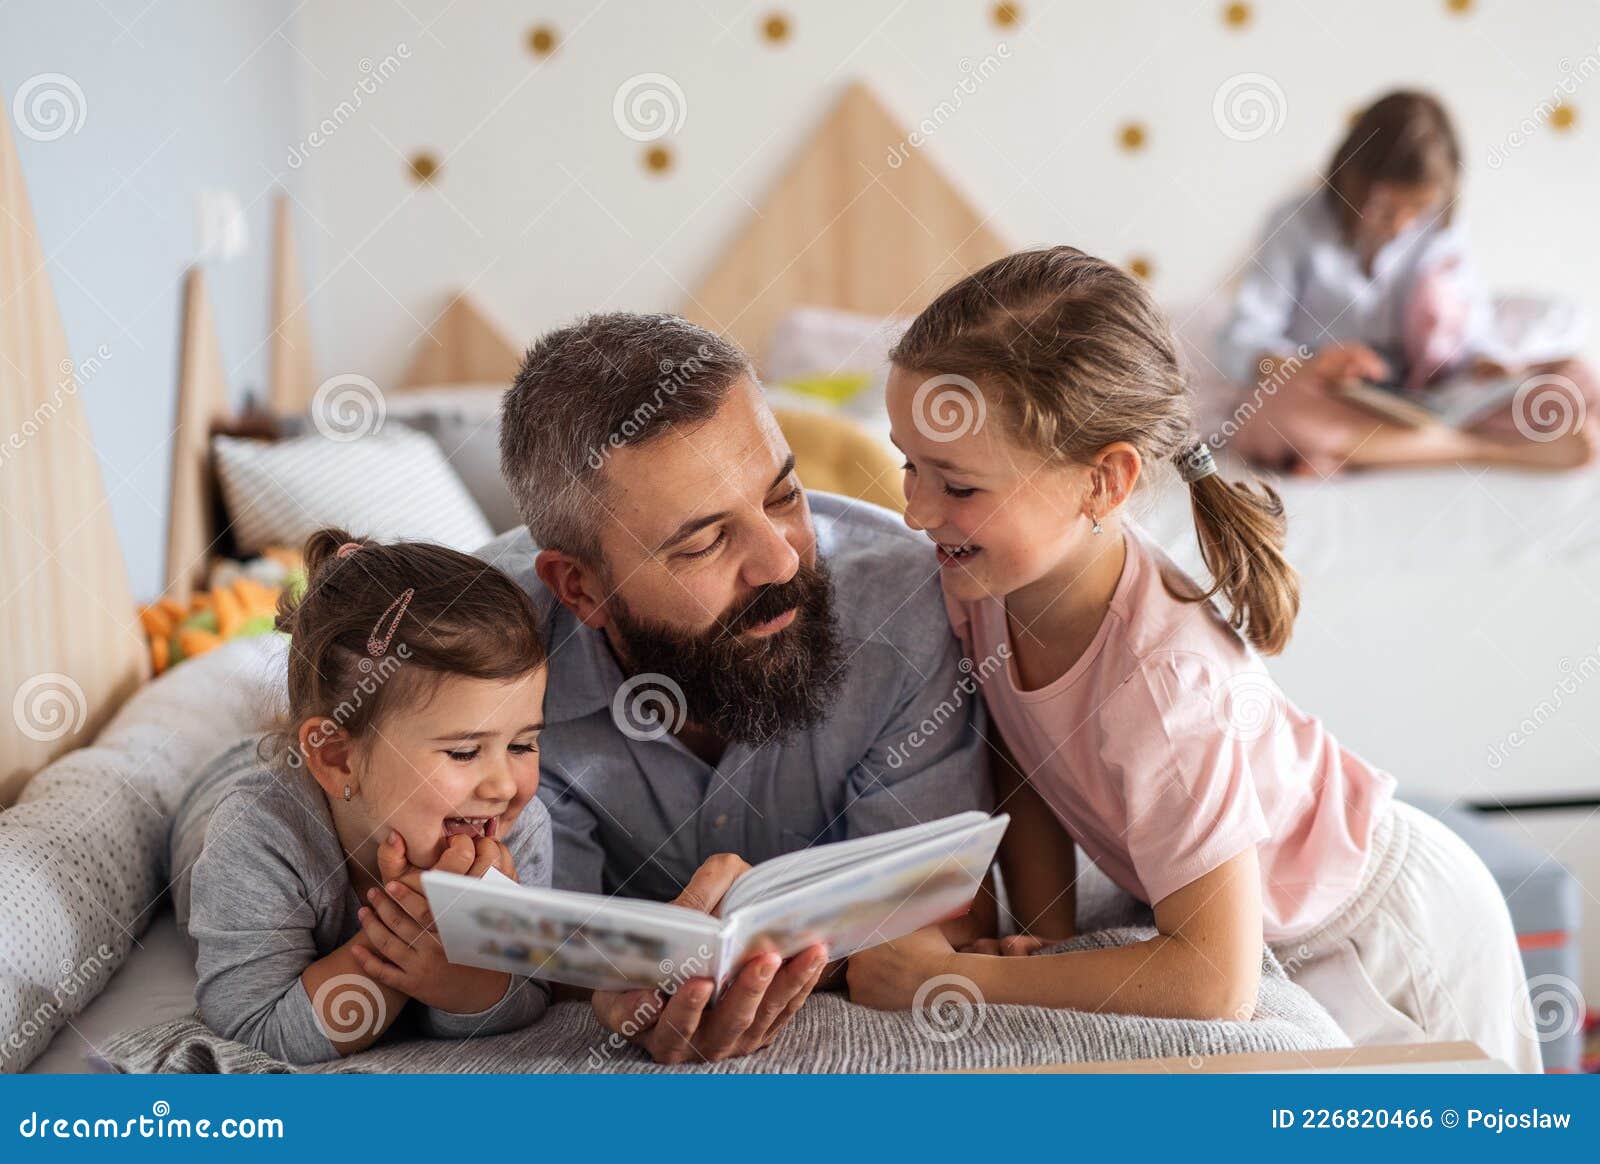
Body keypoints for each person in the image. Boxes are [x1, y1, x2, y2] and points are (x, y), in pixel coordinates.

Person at [845, 246, 1542, 1073]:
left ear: (1103, 484)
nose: (916, 511)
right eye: (907, 466)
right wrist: (1046, 942)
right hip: (1285, 922)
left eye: (957, 487)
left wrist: (960, 979)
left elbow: (1215, 982)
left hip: (1385, 936)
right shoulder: (989, 583)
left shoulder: (1163, 684)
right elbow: (1025, 761)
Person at [483, 311, 996, 1064]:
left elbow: (949, 902)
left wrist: (763, 954)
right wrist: (617, 987)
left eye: (785, 497)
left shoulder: (906, 603)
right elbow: (529, 943)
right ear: (581, 587)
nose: (780, 563)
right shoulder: (482, 665)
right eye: (703, 541)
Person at [168, 529, 552, 1064]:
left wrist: (462, 975)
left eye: (523, 743)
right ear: (337, 758)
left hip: (325, 763)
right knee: (237, 757)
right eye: (464, 753)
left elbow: (534, 992)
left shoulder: (519, 827)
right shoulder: (255, 838)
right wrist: (401, 931)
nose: (505, 787)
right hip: (215, 796)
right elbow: (255, 1033)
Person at [1216, 89, 1598, 475]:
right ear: (1351, 179)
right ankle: (1492, 451)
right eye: (1385, 209)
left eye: (1417, 210)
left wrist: (1488, 362)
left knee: (1575, 379)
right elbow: (1239, 340)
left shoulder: (1441, 229)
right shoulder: (1296, 222)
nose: (1401, 225)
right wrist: (1308, 366)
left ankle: (1362, 452)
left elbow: (1470, 317)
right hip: (1333, 394)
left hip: (1427, 397)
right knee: (1274, 411)